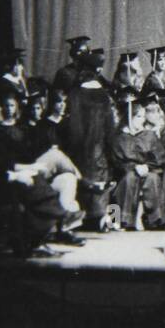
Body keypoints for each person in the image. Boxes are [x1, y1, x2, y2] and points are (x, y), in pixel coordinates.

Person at [60, 48, 116, 227]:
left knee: (83, 175)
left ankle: (81, 217)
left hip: (79, 146)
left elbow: (72, 124)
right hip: (99, 146)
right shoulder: (103, 96)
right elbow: (109, 126)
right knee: (99, 175)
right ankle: (99, 217)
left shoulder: (75, 93)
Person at [109, 87, 165, 230]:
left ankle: (155, 219)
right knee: (130, 178)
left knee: (153, 179)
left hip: (147, 170)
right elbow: (116, 161)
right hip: (126, 173)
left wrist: (148, 167)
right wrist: (133, 168)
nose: (142, 121)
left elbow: (160, 157)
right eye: (139, 117)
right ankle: (124, 219)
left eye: (143, 117)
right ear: (130, 117)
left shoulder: (149, 135)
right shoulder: (120, 138)